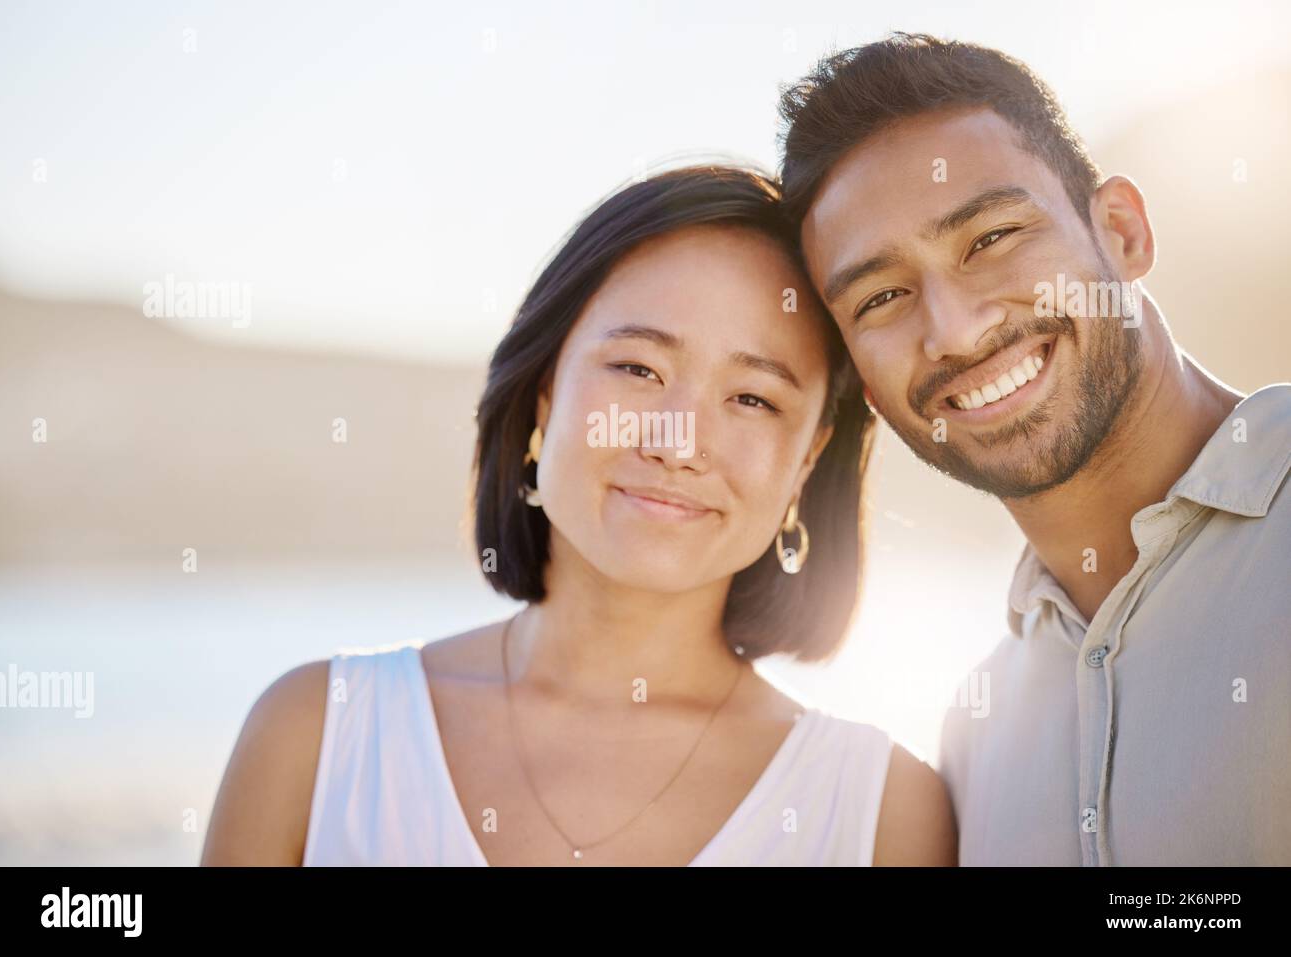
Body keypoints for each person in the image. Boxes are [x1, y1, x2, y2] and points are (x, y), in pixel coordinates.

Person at [200, 165, 957, 866]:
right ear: (544, 393)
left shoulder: (882, 815)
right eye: (637, 368)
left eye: (752, 398)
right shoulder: (318, 735)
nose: (678, 441)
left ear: (807, 460)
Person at [778, 32, 1291, 865]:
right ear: (865, 385)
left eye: (991, 238)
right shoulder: (974, 737)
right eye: (882, 296)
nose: (956, 329)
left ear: (1121, 232)